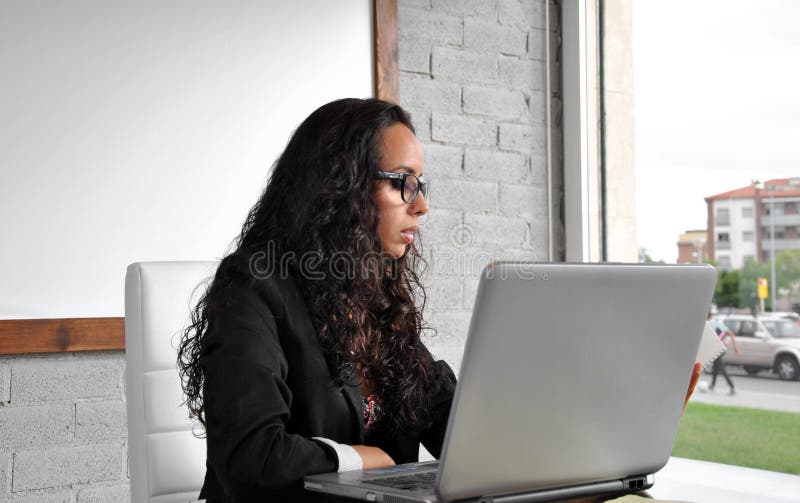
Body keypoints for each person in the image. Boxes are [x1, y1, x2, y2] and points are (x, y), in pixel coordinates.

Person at [177, 98, 702, 502]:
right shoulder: (253, 287)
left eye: (421, 184)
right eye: (403, 183)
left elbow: (461, 425)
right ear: (339, 189)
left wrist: (606, 424)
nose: (422, 204)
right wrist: (361, 460)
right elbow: (248, 458)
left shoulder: (375, 294)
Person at [707, 313, 741, 395]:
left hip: (720, 348)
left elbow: (730, 333)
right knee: (715, 366)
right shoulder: (716, 323)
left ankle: (731, 387)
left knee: (721, 367)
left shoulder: (713, 323)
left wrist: (736, 347)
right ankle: (712, 385)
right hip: (719, 348)